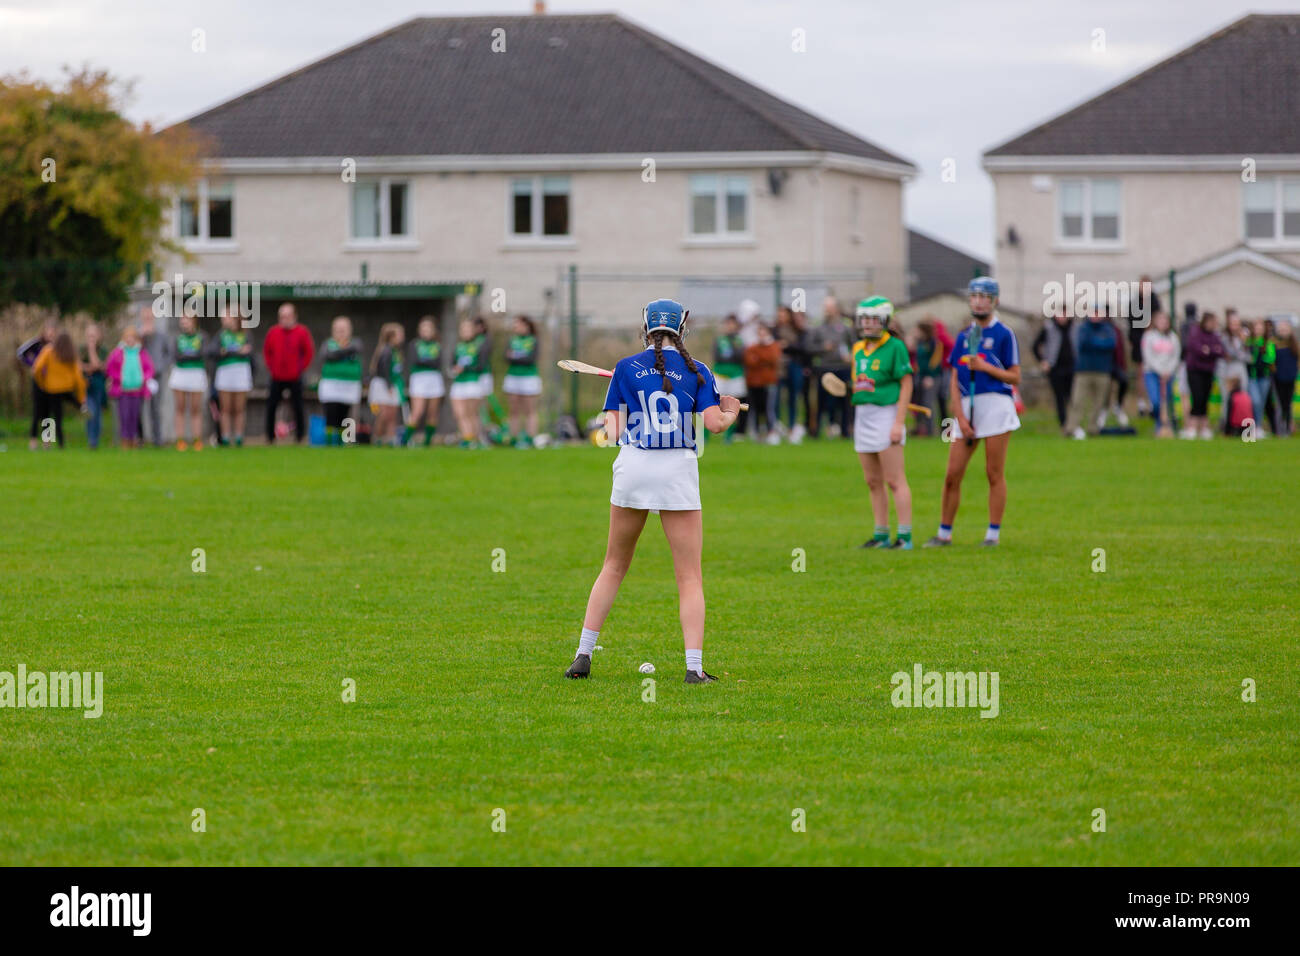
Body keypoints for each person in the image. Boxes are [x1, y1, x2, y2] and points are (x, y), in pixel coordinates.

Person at [564, 298, 740, 683]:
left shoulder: (625, 368)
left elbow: (609, 434)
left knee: (613, 565)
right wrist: (730, 411)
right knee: (689, 575)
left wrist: (621, 403)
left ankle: (582, 655)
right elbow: (714, 425)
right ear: (684, 327)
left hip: (634, 468)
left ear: (645, 327)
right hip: (677, 470)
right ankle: (694, 669)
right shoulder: (699, 370)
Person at [924, 277, 1021, 548]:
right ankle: (944, 533)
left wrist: (986, 368)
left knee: (993, 472)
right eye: (974, 296)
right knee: (952, 473)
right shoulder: (965, 336)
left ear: (994, 301)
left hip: (995, 405)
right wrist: (959, 417)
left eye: (984, 297)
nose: (978, 301)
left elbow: (1015, 377)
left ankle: (992, 534)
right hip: (966, 407)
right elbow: (955, 378)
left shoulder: (1004, 334)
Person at [849, 297, 914, 549]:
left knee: (895, 479)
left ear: (884, 321)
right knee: (872, 481)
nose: (866, 324)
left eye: (872, 319)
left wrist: (898, 422)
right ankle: (881, 534)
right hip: (863, 416)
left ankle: (905, 536)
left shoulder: (896, 347)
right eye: (863, 319)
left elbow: (906, 383)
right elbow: (861, 380)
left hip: (887, 415)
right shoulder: (857, 348)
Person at [263, 302, 315, 444]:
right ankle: (269, 437)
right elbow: (267, 352)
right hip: (277, 377)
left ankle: (299, 437)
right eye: (282, 316)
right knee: (271, 406)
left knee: (298, 406)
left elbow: (308, 353)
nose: (285, 319)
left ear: (294, 316)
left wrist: (299, 368)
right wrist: (272, 368)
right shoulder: (273, 332)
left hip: (295, 377)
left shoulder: (302, 332)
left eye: (288, 316)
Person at [1063, 306, 1116, 438]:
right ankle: (1071, 428)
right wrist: (1100, 343)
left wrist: (1095, 343)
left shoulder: (1108, 328)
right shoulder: (1083, 328)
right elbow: (1084, 343)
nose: (1096, 316)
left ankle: (1093, 428)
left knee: (1098, 402)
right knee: (1077, 400)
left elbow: (1110, 344)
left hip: (1102, 370)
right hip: (1084, 370)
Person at [31, 331, 87, 447]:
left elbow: (37, 368)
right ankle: (61, 443)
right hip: (65, 389)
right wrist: (81, 397)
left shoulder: (48, 351)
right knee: (58, 417)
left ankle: (47, 443)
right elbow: (79, 379)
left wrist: (41, 382)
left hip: (50, 388)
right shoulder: (71, 354)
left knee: (48, 417)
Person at [105, 324, 156, 450]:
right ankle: (124, 440)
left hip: (137, 390)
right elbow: (109, 368)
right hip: (123, 390)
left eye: (132, 337)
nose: (130, 340)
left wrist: (144, 379)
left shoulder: (141, 353)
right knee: (124, 416)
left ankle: (133, 439)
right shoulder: (117, 353)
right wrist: (119, 378)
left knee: (135, 416)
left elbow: (149, 369)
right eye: (127, 337)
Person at [810, 296, 853, 437]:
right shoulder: (818, 326)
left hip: (843, 368)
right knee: (822, 402)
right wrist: (823, 348)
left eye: (830, 308)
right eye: (825, 308)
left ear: (836, 309)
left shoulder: (846, 325)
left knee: (845, 402)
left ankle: (845, 431)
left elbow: (855, 345)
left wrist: (851, 356)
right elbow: (810, 347)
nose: (827, 311)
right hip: (825, 368)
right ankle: (817, 432)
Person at [317, 316, 363, 445]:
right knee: (331, 413)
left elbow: (355, 349)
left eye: (344, 329)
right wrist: (345, 352)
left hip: (349, 385)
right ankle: (330, 442)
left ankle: (343, 442)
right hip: (331, 385)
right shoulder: (328, 343)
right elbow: (328, 355)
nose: (341, 332)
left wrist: (338, 353)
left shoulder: (356, 342)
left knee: (345, 414)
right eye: (338, 329)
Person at [212, 309, 254, 446]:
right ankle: (225, 437)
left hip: (241, 372)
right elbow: (213, 352)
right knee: (225, 408)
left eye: (227, 316)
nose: (224, 319)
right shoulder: (220, 335)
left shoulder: (245, 334)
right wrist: (230, 352)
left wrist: (235, 352)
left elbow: (249, 352)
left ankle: (239, 437)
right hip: (225, 371)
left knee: (239, 408)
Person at [168, 313, 209, 449]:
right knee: (180, 408)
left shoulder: (202, 336)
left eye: (187, 320)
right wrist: (191, 355)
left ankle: (197, 439)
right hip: (180, 374)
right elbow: (176, 356)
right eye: (182, 320)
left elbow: (202, 354)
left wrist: (187, 355)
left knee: (195, 409)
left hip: (196, 373)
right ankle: (180, 440)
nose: (184, 322)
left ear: (194, 321)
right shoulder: (178, 338)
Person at [404, 316, 445, 447]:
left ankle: (427, 442)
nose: (426, 331)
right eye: (423, 328)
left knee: (432, 412)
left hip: (434, 379)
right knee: (418, 411)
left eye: (429, 328)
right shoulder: (414, 344)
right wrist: (428, 361)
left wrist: (426, 361)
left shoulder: (437, 345)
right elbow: (415, 360)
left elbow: (438, 363)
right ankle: (404, 441)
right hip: (419, 379)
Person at [1184, 312, 1226, 439]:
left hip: (1208, 371)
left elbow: (1220, 351)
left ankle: (1204, 428)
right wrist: (1209, 351)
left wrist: (1209, 350)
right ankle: (1191, 427)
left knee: (1205, 399)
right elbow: (1197, 349)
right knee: (1197, 397)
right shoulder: (1195, 333)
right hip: (1195, 370)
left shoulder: (1215, 336)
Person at [502, 314, 541, 448]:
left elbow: (530, 359)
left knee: (530, 410)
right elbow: (506, 357)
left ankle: (530, 438)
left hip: (529, 377)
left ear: (526, 325)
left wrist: (515, 357)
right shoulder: (512, 340)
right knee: (514, 409)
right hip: (513, 376)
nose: (515, 327)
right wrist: (517, 358)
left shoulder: (533, 340)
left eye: (518, 324)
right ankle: (514, 438)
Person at [18, 319, 57, 450]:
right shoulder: (36, 343)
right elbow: (21, 353)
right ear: (44, 332)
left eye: (53, 333)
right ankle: (33, 440)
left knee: (48, 412)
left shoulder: (55, 346)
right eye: (49, 332)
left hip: (51, 382)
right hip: (38, 381)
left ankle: (47, 442)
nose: (51, 335)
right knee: (37, 411)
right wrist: (32, 364)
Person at [1032, 309, 1075, 429]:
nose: (1062, 317)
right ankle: (1064, 425)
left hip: (1072, 368)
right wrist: (1043, 361)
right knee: (1059, 398)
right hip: (1055, 369)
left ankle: (1073, 424)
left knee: (1072, 398)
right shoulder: (1049, 327)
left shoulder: (1074, 328)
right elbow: (1035, 346)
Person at [1140, 311, 1180, 437]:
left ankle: (1165, 427)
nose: (1163, 323)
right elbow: (1148, 356)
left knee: (1167, 402)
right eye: (1160, 320)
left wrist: (1169, 371)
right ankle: (1159, 423)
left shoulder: (1173, 337)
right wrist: (1160, 371)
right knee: (1156, 402)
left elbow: (1176, 356)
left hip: (1168, 374)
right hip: (1152, 373)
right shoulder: (1148, 337)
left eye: (1165, 321)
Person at [139, 308, 173, 446]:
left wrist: (160, 366)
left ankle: (157, 439)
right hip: (140, 377)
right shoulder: (137, 335)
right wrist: (141, 337)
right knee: (139, 408)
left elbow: (169, 354)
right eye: (145, 316)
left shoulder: (161, 336)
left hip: (156, 376)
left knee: (156, 408)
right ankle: (139, 438)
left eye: (150, 316)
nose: (148, 319)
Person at [773, 305, 808, 442]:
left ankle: (792, 427)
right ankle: (777, 426)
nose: (781, 316)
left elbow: (803, 348)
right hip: (779, 367)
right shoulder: (774, 330)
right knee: (776, 397)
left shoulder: (798, 330)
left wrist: (787, 345)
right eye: (779, 314)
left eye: (783, 313)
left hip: (794, 366)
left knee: (793, 397)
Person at [368, 322, 406, 447]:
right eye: (399, 334)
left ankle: (391, 439)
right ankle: (377, 439)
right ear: (391, 336)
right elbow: (383, 369)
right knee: (383, 414)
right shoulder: (385, 350)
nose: (402, 336)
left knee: (393, 414)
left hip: (393, 384)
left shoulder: (396, 351)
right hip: (383, 385)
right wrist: (389, 386)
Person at [743, 323, 782, 443]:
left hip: (768, 383)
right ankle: (756, 433)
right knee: (754, 409)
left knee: (768, 409)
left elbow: (773, 359)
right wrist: (762, 360)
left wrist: (759, 358)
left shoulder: (773, 346)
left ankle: (771, 432)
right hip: (753, 383)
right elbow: (750, 361)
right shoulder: (752, 347)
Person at [712, 314, 748, 440]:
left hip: (736, 375)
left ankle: (729, 435)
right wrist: (731, 355)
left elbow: (740, 356)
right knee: (713, 403)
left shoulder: (739, 340)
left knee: (733, 405)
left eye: (733, 324)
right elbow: (718, 356)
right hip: (720, 374)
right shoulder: (719, 340)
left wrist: (731, 354)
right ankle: (707, 433)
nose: (730, 326)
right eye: (728, 324)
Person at [449, 319, 483, 448]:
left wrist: (466, 368)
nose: (465, 332)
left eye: (468, 329)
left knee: (471, 414)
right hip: (459, 383)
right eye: (463, 329)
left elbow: (481, 366)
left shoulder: (478, 345)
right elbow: (452, 363)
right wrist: (454, 369)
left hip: (472, 382)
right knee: (459, 413)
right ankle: (467, 439)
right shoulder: (458, 346)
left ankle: (474, 439)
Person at [1216, 311, 1249, 431]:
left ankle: (1242, 426)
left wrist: (1243, 342)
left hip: (1240, 369)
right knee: (1227, 398)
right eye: (1233, 324)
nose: (1235, 326)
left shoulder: (1244, 338)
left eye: (1237, 324)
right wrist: (1238, 352)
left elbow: (1248, 357)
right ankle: (1227, 426)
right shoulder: (1224, 337)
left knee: (1242, 398)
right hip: (1227, 370)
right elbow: (1229, 353)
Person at [79, 323, 110, 450]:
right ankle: (91, 440)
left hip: (99, 385)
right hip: (85, 384)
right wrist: (90, 368)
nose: (91, 338)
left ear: (99, 336)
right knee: (90, 411)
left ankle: (95, 439)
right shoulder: (81, 349)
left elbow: (98, 365)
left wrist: (92, 350)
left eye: (94, 335)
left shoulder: (103, 350)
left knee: (97, 413)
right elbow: (78, 365)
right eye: (89, 335)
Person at [1246, 319, 1276, 436]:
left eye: (1260, 328)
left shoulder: (1267, 342)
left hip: (1264, 377)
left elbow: (1271, 358)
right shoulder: (1249, 342)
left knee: (1261, 403)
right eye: (1256, 328)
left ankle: (1258, 427)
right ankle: (1252, 427)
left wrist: (1262, 358)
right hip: (1252, 377)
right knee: (1255, 401)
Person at [1271, 320, 1297, 436]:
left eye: (1285, 330)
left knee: (1288, 404)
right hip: (1278, 378)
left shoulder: (1294, 345)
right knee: (1280, 404)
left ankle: (1287, 427)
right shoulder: (1273, 344)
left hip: (1290, 377)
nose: (1283, 332)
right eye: (1281, 330)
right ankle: (1280, 428)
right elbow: (1271, 360)